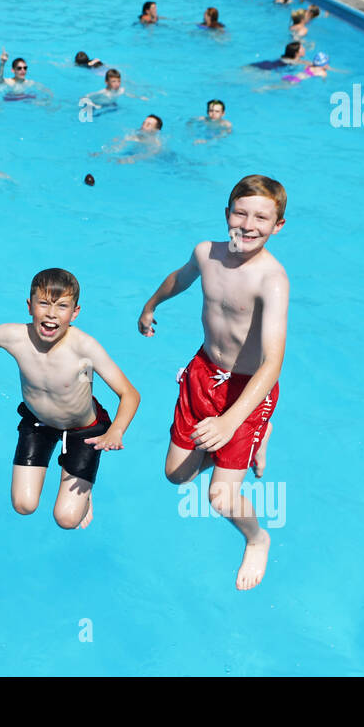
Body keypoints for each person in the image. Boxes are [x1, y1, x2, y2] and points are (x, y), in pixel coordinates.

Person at [138, 175, 288, 591]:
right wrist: (151, 305)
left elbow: (272, 364)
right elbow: (180, 278)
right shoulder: (207, 254)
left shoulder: (271, 280)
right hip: (205, 374)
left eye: (262, 217)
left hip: (249, 391)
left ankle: (257, 538)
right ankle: (252, 437)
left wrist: (229, 423)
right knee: (176, 476)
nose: (248, 224)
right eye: (241, 212)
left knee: (219, 498)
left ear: (278, 226)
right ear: (227, 215)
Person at [0, 268, 139, 530]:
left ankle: (84, 495)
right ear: (29, 306)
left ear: (75, 312)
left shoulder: (84, 347)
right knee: (24, 505)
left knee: (66, 519)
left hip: (83, 430)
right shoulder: (13, 336)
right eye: (43, 303)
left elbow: (130, 394)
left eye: (62, 306)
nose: (51, 313)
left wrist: (116, 431)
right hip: (39, 422)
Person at [95, 114, 164, 162]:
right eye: (143, 123)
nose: (143, 126)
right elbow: (117, 145)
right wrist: (101, 154)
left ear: (156, 130)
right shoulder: (134, 136)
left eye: (148, 124)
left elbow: (146, 157)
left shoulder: (157, 144)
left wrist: (128, 160)